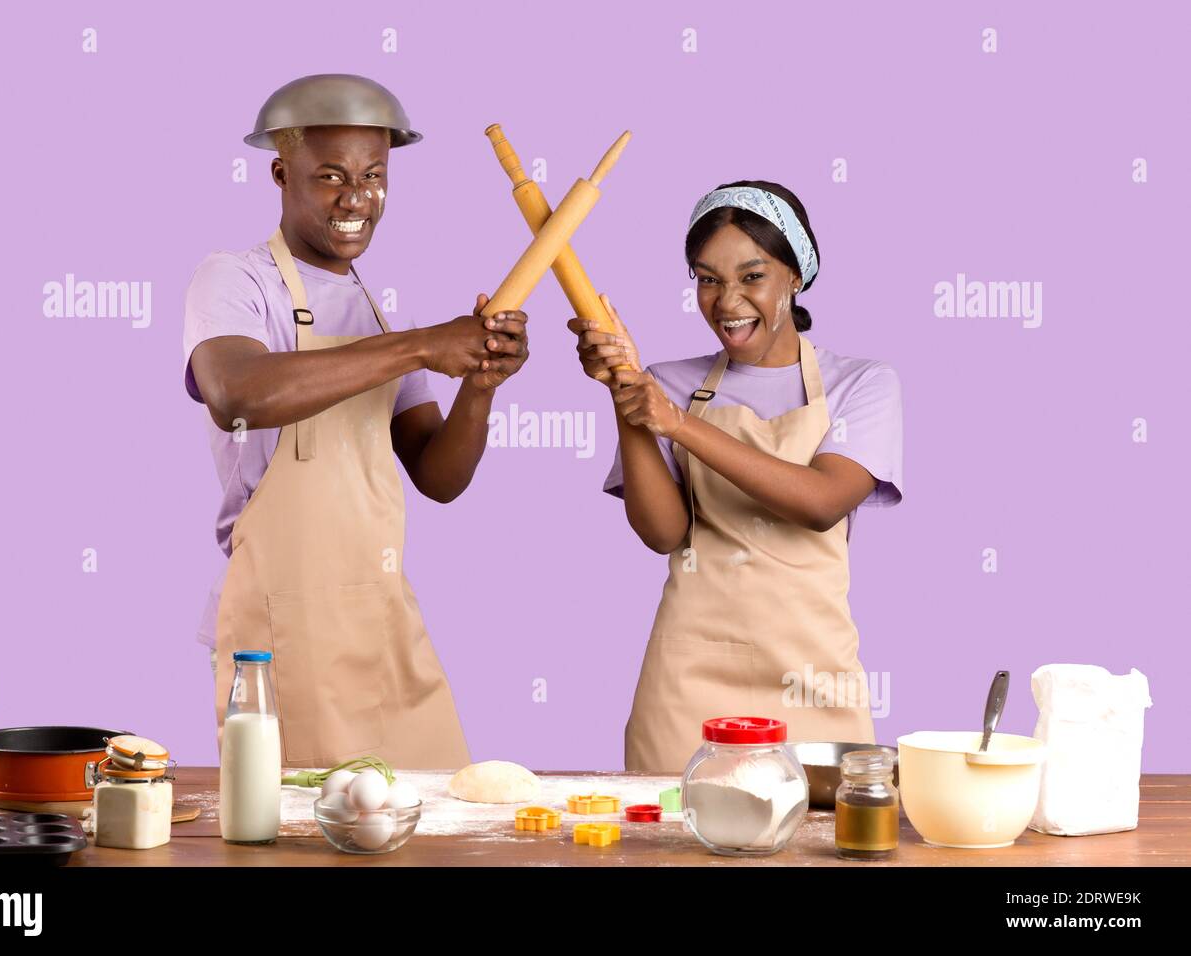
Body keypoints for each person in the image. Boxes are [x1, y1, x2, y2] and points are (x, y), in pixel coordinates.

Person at [183, 75, 529, 768]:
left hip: (384, 621)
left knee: (442, 809)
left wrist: (481, 384)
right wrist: (422, 346)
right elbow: (238, 394)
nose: (356, 199)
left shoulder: (378, 316)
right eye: (331, 176)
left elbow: (439, 476)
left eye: (374, 176)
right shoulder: (235, 281)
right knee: (303, 817)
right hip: (284, 630)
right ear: (281, 174)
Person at [568, 181, 903, 773]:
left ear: (794, 276)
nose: (727, 301)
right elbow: (663, 533)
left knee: (826, 829)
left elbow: (822, 502)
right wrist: (626, 394)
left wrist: (678, 424)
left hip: (812, 679)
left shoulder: (862, 383)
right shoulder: (666, 383)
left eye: (752, 276)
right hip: (687, 682)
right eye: (708, 279)